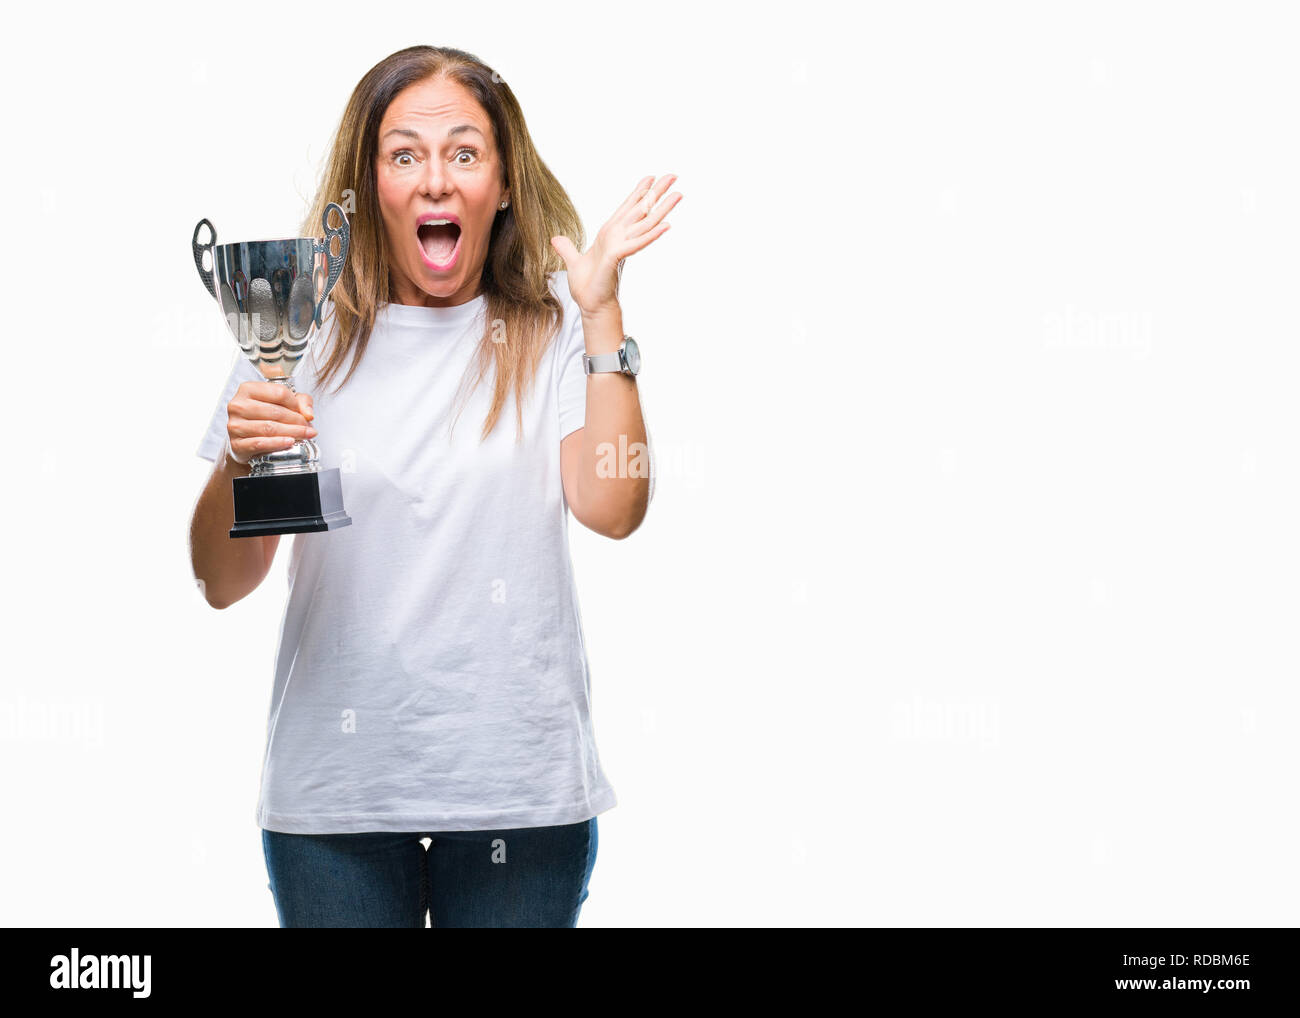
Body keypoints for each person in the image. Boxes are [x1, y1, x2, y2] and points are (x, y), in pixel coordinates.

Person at [188, 44, 679, 927]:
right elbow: (220, 583)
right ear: (370, 180)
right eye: (404, 154)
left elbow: (615, 505)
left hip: (520, 797)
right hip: (335, 803)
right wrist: (239, 459)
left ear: (502, 182)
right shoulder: (301, 330)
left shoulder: (555, 324)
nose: (435, 180)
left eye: (464, 151)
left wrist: (604, 314)